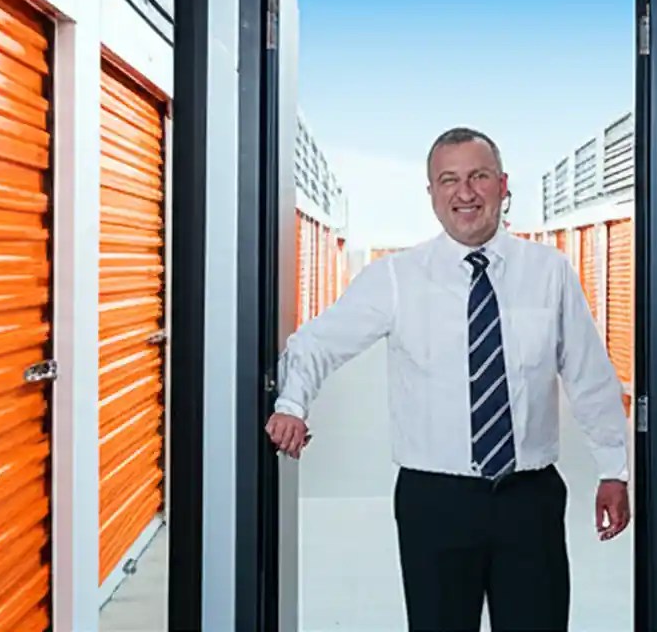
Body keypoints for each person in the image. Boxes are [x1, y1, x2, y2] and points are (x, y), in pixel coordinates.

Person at [265, 126, 631, 631]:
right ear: (432, 193)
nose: (465, 192)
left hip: (530, 499)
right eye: (449, 179)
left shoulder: (550, 272)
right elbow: (317, 344)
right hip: (433, 502)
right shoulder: (397, 277)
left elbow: (590, 376)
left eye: (479, 177)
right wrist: (292, 405)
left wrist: (614, 469)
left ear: (503, 186)